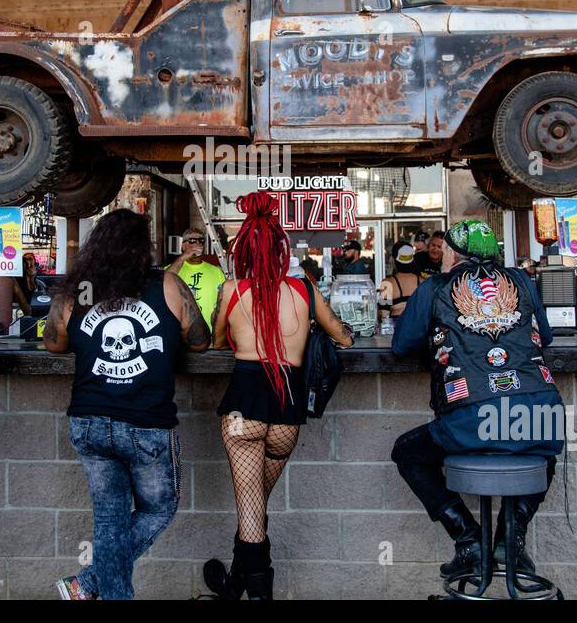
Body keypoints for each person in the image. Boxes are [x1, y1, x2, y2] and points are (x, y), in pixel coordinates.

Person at [43, 210, 210, 600]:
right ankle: (86, 585)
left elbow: (54, 341)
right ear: (143, 247)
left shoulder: (78, 290)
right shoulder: (167, 283)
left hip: (88, 421)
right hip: (146, 422)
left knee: (110, 521)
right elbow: (200, 340)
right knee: (158, 508)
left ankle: (87, 585)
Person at [389, 219, 564, 585]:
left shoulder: (435, 287)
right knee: (544, 448)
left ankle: (468, 540)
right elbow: (544, 336)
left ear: (453, 253)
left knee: (407, 452)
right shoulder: (522, 282)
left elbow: (402, 346)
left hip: (471, 417)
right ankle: (509, 541)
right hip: (541, 412)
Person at [203, 192, 354, 599]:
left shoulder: (232, 289)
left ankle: (256, 593)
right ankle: (234, 584)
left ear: (243, 252)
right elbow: (342, 336)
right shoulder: (304, 289)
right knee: (255, 509)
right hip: (286, 410)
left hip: (243, 409)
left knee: (252, 513)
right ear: (282, 250)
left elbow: (218, 343)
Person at [167, 227, 226, 329]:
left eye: (201, 241)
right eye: (192, 241)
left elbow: (224, 303)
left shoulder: (217, 272)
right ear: (183, 245)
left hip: (210, 336)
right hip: (180, 336)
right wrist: (184, 257)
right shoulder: (171, 270)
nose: (197, 244)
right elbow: (164, 283)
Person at [378, 240, 422, 319]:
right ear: (412, 259)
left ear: (393, 260)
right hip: (420, 329)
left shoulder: (387, 284)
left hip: (398, 329)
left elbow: (383, 314)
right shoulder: (423, 282)